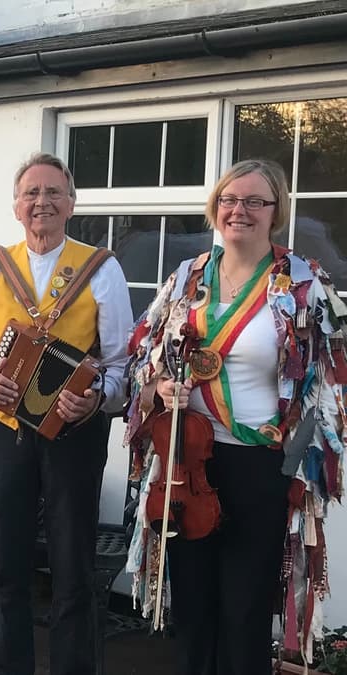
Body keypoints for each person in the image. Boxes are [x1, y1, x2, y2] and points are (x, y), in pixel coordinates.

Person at [124, 159, 345, 673]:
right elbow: (142, 356)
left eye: (254, 201)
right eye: (228, 199)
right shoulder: (187, 277)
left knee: (245, 611)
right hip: (187, 462)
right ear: (215, 206)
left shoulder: (304, 284)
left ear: (275, 211)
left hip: (260, 465)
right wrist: (160, 387)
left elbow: (330, 381)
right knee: (193, 608)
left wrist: (297, 454)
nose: (238, 210)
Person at [0, 153, 133, 675]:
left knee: (73, 566)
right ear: (15, 206)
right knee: (6, 562)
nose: (41, 202)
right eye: (31, 193)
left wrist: (97, 397)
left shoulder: (102, 267)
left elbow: (122, 363)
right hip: (3, 430)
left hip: (74, 432)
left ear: (71, 204)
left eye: (53, 192)